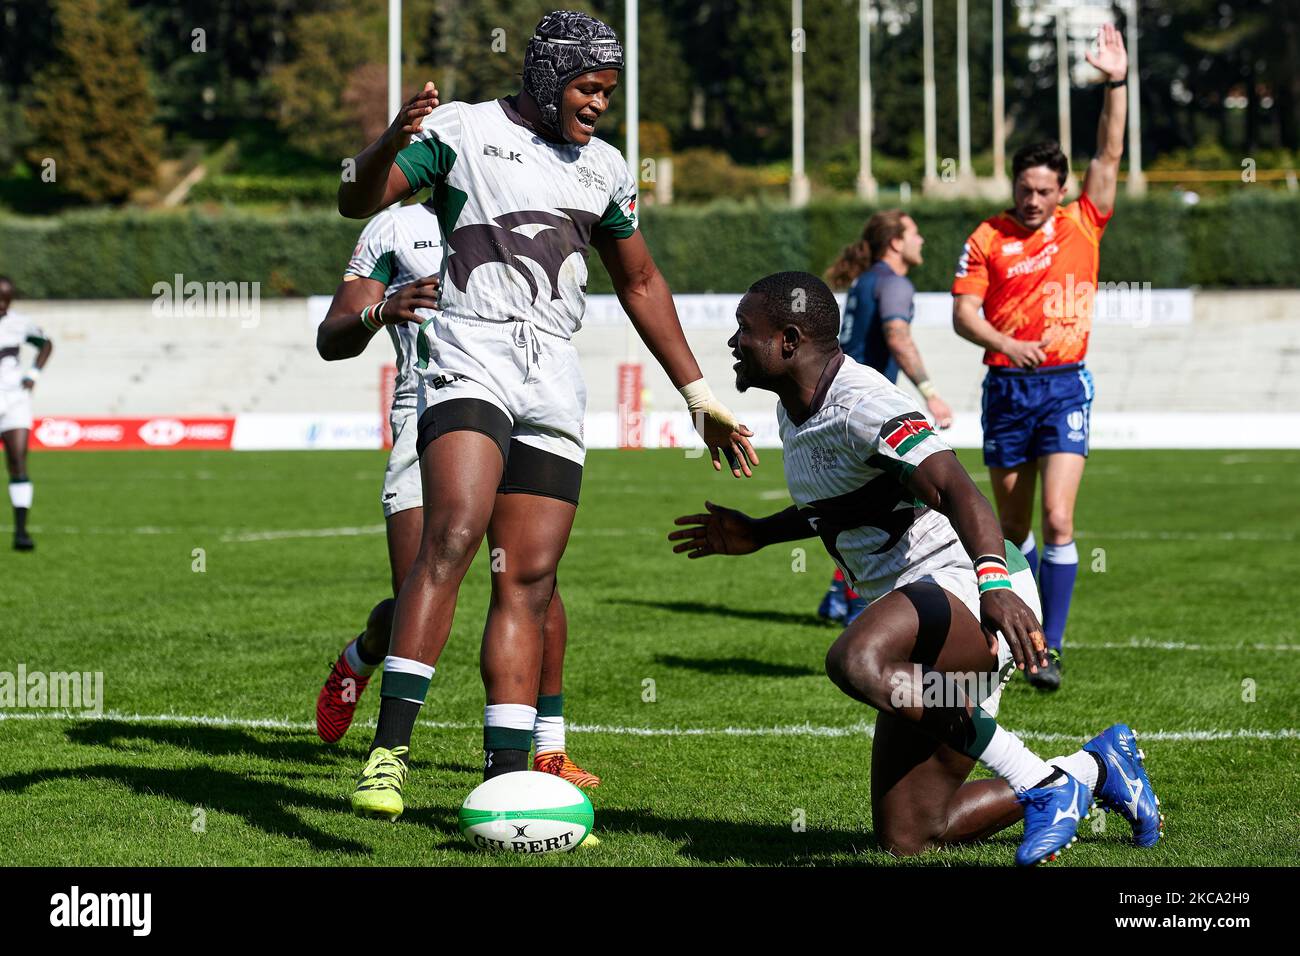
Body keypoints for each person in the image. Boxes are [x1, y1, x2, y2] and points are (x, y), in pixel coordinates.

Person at [336, 10, 757, 821]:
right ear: (546, 76)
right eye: (588, 87)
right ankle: (389, 754)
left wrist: (697, 393)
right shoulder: (459, 130)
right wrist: (393, 135)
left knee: (527, 578)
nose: (599, 104)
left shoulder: (604, 168)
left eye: (608, 92)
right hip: (471, 350)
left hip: (554, 370)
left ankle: (506, 780)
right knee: (454, 534)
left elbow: (639, 282)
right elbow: (357, 198)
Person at [670, 272, 1161, 864]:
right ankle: (1096, 766)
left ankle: (1043, 784)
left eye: (745, 330)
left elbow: (958, 489)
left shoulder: (865, 404)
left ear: (790, 341)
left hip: (967, 583)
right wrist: (760, 533)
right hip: (926, 614)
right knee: (911, 834)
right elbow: (849, 506)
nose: (733, 342)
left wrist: (995, 584)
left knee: (856, 661)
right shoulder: (793, 411)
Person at [312, 198, 599, 787]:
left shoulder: (523, 202)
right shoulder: (394, 225)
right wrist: (381, 313)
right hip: (425, 413)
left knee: (532, 582)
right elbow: (331, 337)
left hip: (516, 409)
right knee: (424, 579)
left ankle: (547, 747)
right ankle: (364, 655)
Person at [951, 24, 1129, 691]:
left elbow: (1109, 154)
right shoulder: (985, 238)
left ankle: (1046, 649)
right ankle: (1021, 631)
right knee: (1014, 527)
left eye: (1043, 191)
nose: (1031, 200)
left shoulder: (1085, 220)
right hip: (1006, 388)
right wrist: (1006, 344)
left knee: (1059, 517)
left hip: (1064, 387)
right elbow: (964, 315)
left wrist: (1115, 83)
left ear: (1061, 192)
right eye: (1024, 189)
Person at [819, 210, 953, 623]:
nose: (922, 241)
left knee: (850, 504)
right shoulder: (894, 283)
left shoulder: (865, 280)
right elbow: (897, 335)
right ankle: (862, 605)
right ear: (896, 242)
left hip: (837, 404)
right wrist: (931, 394)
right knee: (890, 509)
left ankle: (837, 596)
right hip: (864, 412)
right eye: (915, 233)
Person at [0, 277, 52, 552]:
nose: (1, 304)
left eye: (5, 299)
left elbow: (45, 345)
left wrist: (32, 375)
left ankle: (21, 532)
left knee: (18, 461)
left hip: (14, 400)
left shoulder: (19, 324)